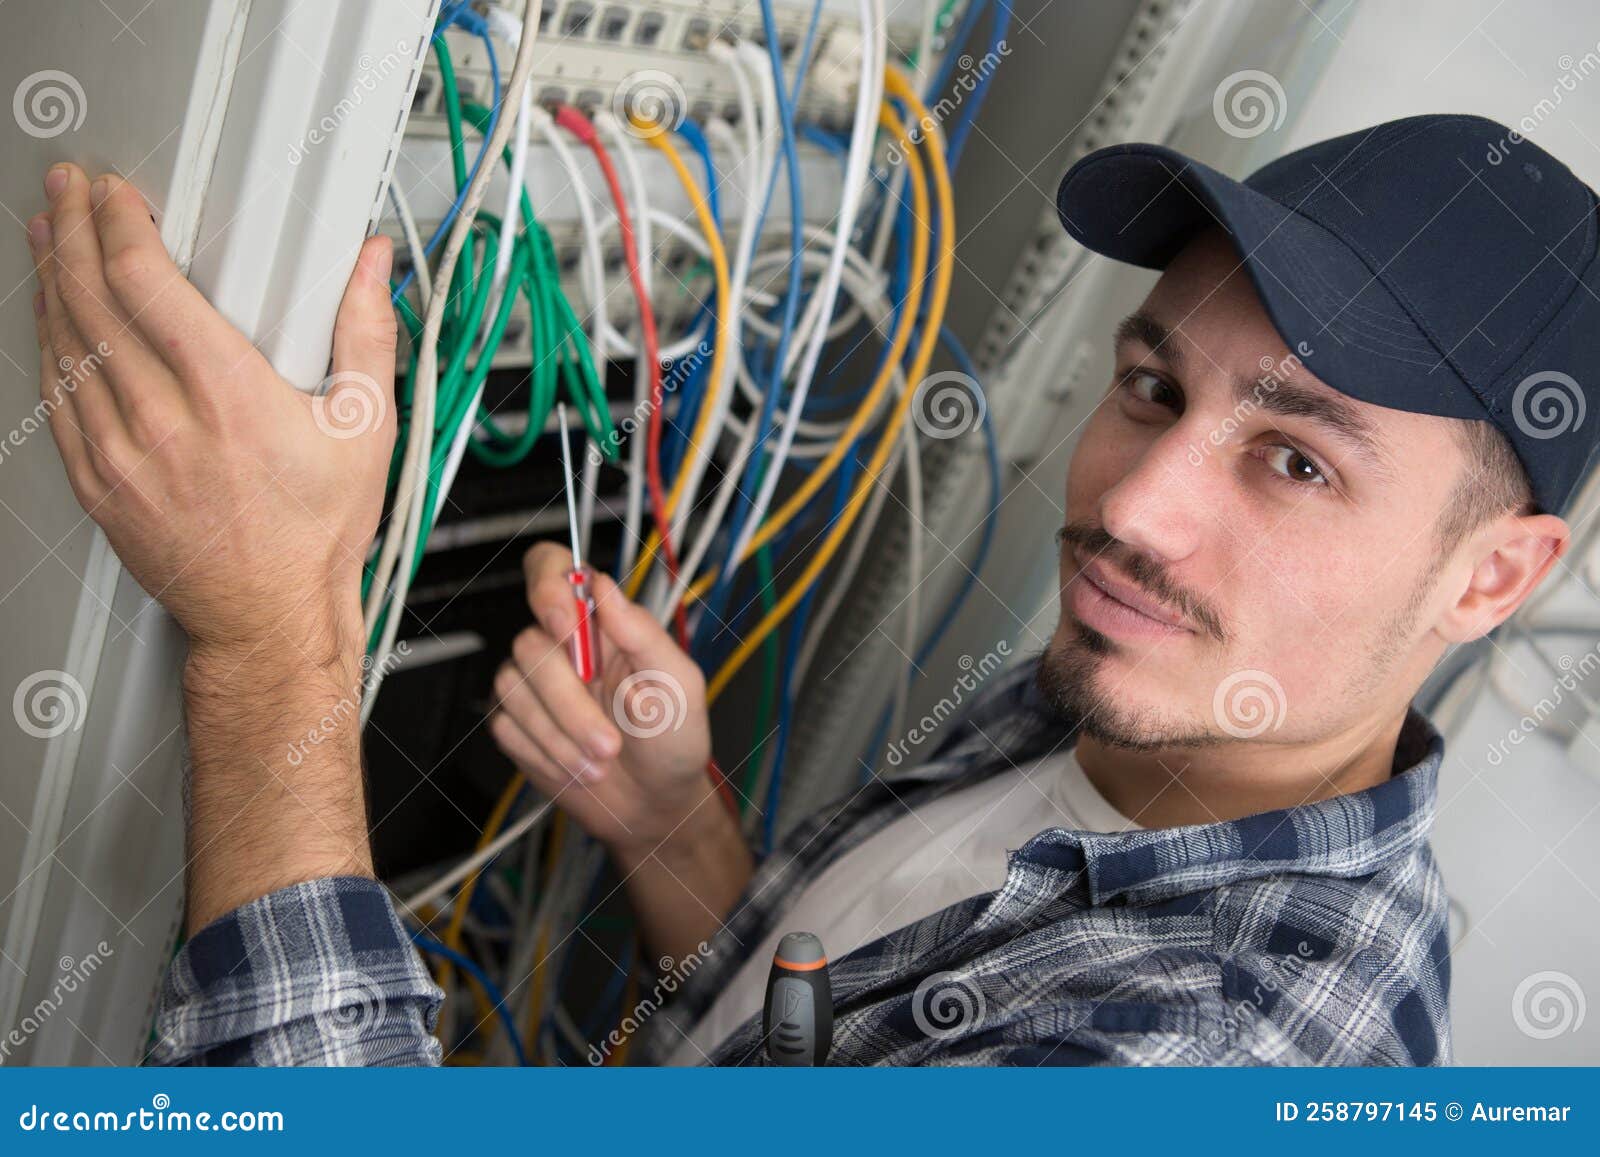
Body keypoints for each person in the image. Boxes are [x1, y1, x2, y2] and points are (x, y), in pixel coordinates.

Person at [26, 113, 1598, 1066]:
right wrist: (669, 826)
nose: (1135, 506)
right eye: (1151, 384)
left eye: (1298, 462)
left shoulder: (1214, 1051)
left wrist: (269, 628)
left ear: (1494, 576)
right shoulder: (1125, 703)